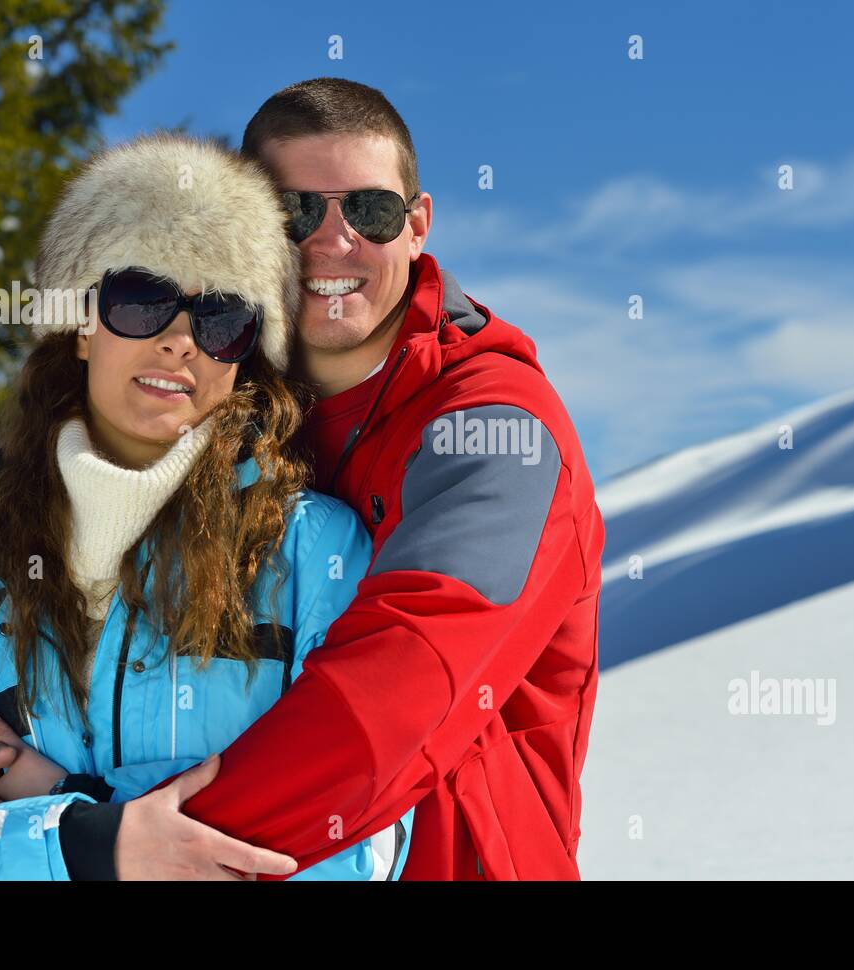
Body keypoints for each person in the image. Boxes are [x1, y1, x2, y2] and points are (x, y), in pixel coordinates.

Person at [0, 132, 415, 881]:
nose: (179, 342)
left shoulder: (319, 555)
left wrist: (55, 802)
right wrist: (87, 845)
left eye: (220, 320)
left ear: (244, 356)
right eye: (141, 300)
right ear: (82, 324)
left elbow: (358, 846)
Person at [138, 78, 605, 880]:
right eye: (295, 213)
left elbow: (399, 696)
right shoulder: (200, 390)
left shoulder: (499, 429)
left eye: (371, 212)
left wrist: (136, 851)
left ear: (418, 227)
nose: (334, 241)